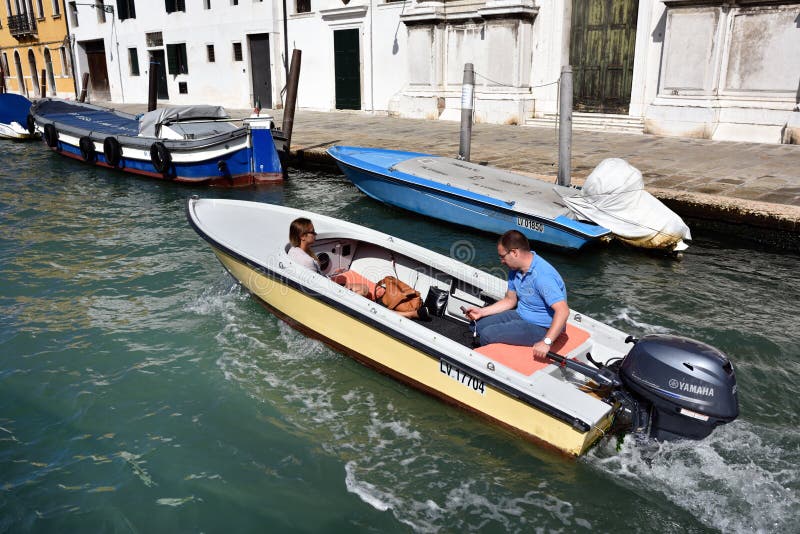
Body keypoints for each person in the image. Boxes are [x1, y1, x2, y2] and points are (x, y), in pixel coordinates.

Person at [287, 218, 425, 322]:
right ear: (302, 236)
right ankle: (408, 314)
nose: (315, 234)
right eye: (312, 232)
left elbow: (316, 277)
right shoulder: (307, 261)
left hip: (328, 285)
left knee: (362, 288)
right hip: (330, 293)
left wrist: (335, 276)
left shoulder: (293, 252)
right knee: (364, 291)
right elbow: (317, 284)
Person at [464, 230, 568, 359]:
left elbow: (563, 311)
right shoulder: (515, 270)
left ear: (514, 252)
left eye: (502, 256)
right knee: (477, 324)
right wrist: (481, 312)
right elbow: (510, 300)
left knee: (487, 334)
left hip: (543, 327)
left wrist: (546, 341)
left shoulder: (543, 277)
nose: (501, 261)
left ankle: (488, 366)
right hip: (522, 314)